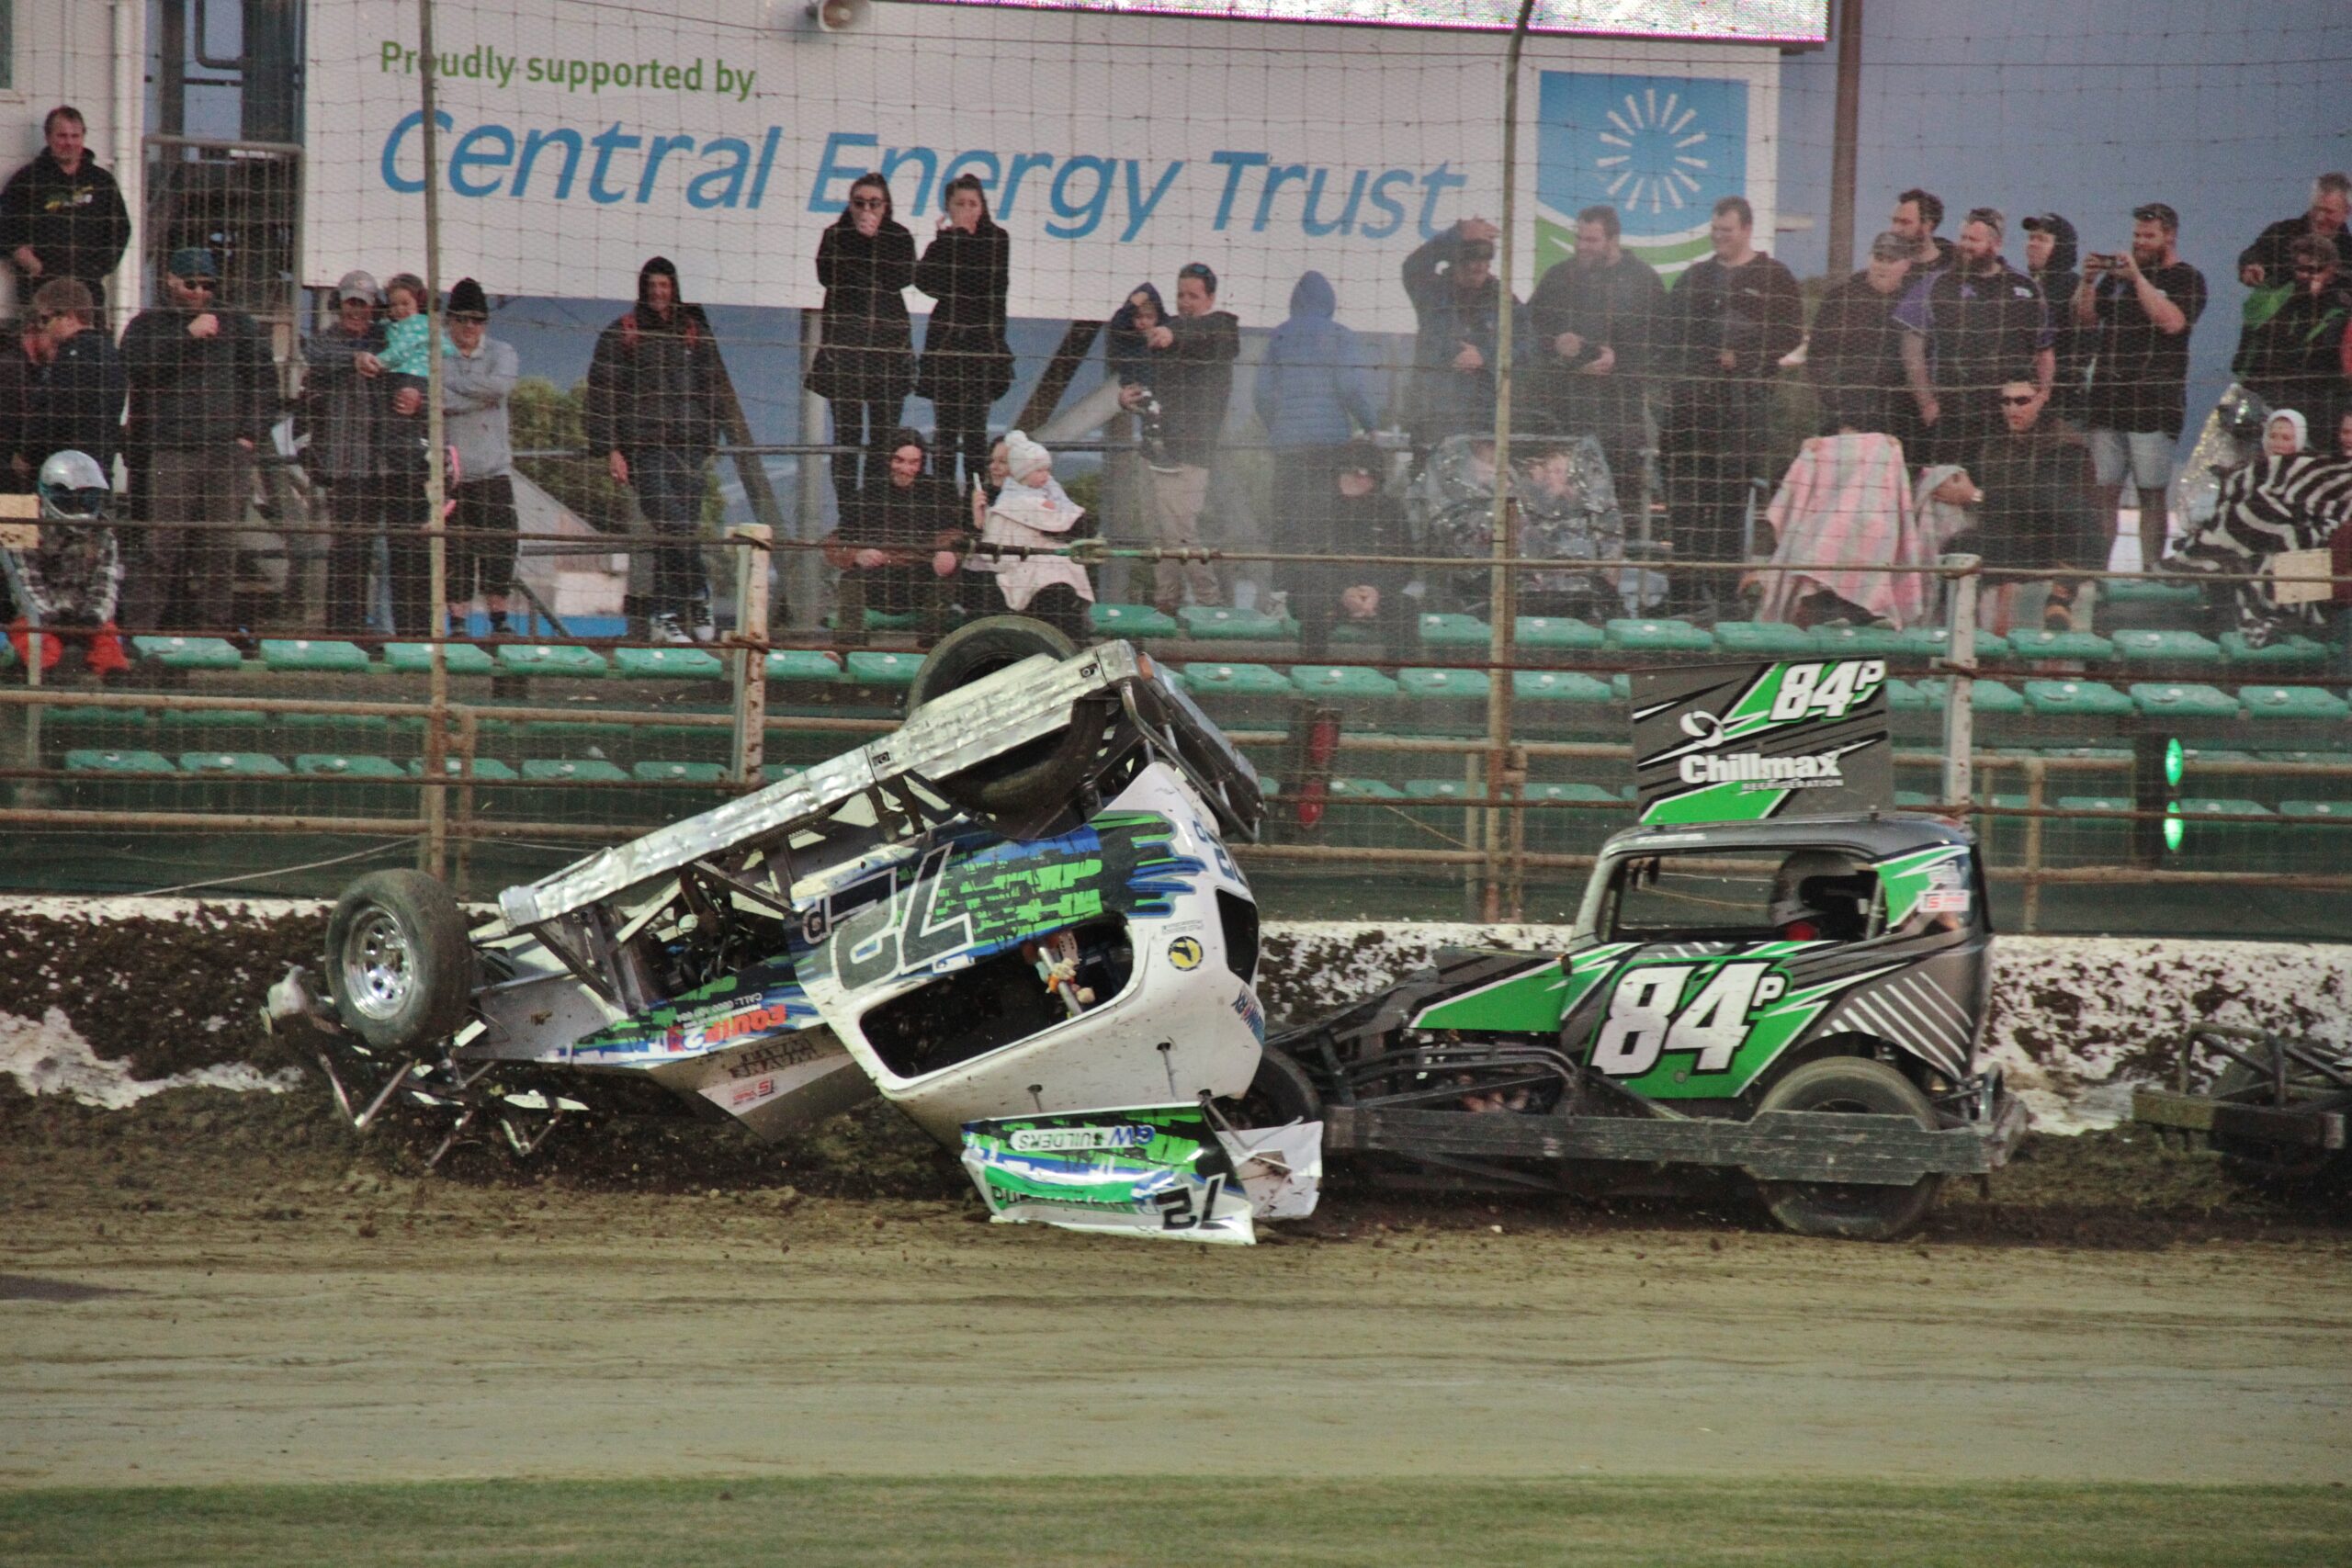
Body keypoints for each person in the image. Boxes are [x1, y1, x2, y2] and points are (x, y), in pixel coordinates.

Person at [118, 246, 275, 637]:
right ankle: (140, 632)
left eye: (208, 285)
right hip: (171, 449)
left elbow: (264, 381)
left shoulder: (237, 323)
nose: (200, 292)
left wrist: (248, 435)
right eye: (191, 284)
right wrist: (186, 337)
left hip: (226, 450)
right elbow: (134, 368)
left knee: (219, 548)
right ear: (170, 280)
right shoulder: (148, 324)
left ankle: (213, 633)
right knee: (160, 545)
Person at [1657, 196, 1804, 612]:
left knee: (1726, 508)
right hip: (1689, 413)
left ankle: (1722, 599)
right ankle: (1681, 601)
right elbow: (1668, 335)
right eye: (1715, 230)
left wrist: (1745, 358)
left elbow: (1790, 334)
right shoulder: (1695, 278)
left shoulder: (1775, 277)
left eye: (1727, 230)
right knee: (1685, 507)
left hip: (1741, 413)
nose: (1719, 237)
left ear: (1747, 230)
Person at [585, 255, 729, 643]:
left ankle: (664, 615)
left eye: (665, 286)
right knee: (674, 525)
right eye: (652, 287)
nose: (659, 294)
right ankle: (698, 593)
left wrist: (708, 435)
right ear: (643, 289)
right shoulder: (623, 332)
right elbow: (602, 392)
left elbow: (712, 386)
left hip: (688, 447)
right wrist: (609, 448)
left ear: (674, 288)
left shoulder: (693, 333)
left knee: (673, 532)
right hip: (643, 448)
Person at [2074, 202, 2208, 571]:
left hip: (2154, 403)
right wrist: (2086, 282)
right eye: (2136, 235)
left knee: (2151, 492)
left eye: (2149, 236)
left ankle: (2150, 568)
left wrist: (2138, 280)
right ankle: (2097, 571)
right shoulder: (2115, 279)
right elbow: (2086, 320)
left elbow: (2173, 323)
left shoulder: (2188, 278)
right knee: (2104, 492)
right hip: (2106, 400)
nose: (2140, 242)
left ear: (2170, 236)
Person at [2168, 407, 2352, 647]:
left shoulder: (2320, 472)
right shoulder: (2257, 471)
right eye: (2345, 431)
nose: (2347, 438)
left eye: (2286, 438)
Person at [1116, 262, 1238, 616]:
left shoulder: (1220, 333)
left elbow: (1217, 330)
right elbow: (1124, 334)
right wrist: (1125, 400)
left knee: (1182, 535)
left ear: (1211, 298)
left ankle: (1209, 605)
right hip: (1153, 449)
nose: (1185, 302)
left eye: (1193, 296)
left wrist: (1174, 333)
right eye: (1180, 295)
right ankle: (1165, 604)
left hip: (1188, 455)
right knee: (1158, 536)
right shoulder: (1161, 337)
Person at [1254, 269, 1381, 603]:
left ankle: (1283, 593)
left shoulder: (1279, 336)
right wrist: (1370, 424)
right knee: (1325, 520)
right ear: (1330, 303)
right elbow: (1351, 387)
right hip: (1331, 445)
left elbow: (1262, 394)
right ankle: (1325, 593)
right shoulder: (1341, 336)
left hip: (1289, 448)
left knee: (1288, 517)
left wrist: (1279, 427)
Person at [1895, 208, 2052, 470]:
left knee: (2000, 496)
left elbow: (2045, 351)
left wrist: (2040, 398)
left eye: (1974, 240)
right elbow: (1911, 349)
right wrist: (1927, 404)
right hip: (1952, 416)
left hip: (2008, 417)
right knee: (1950, 494)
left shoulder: (2026, 287)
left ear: (1996, 244)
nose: (1965, 246)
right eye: (1963, 238)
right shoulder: (1936, 284)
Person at [1526, 203, 1665, 498]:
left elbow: (1661, 348)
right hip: (1565, 417)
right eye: (1579, 238)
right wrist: (1558, 348)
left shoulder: (1643, 281)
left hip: (1619, 420)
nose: (1582, 247)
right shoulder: (1558, 278)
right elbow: (1529, 335)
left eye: (1591, 240)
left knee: (1616, 503)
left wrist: (1618, 361)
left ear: (1613, 240)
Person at [1950, 379, 2105, 635]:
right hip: (2014, 541)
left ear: (2041, 400)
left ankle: (2060, 597)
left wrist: (1978, 496)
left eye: (2022, 400)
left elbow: (2045, 500)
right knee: (1958, 546)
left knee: (2075, 514)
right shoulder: (1995, 445)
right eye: (2006, 401)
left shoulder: (2066, 445)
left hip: (2059, 544)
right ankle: (1962, 633)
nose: (2013, 408)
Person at [413, 278, 521, 637]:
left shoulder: (503, 353)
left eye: (476, 320)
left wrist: (448, 394)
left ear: (485, 324)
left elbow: (500, 387)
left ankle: (499, 621)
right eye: (461, 319)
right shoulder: (435, 355)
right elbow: (434, 399)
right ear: (449, 321)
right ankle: (457, 623)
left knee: (500, 547)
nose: (469, 327)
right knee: (455, 551)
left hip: (493, 468)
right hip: (451, 472)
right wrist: (472, 397)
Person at [300, 270, 402, 635]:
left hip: (389, 464)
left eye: (364, 304)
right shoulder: (325, 341)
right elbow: (317, 355)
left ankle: (390, 630)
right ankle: (343, 631)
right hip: (346, 464)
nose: (357, 311)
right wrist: (355, 360)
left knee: (397, 551)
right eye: (351, 303)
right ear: (339, 304)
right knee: (348, 550)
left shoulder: (389, 338)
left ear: (375, 308)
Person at [810, 173, 915, 508]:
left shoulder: (898, 236)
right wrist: (859, 240)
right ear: (850, 205)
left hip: (887, 356)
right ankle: (847, 512)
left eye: (874, 203)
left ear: (886, 206)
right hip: (846, 357)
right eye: (859, 203)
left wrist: (875, 240)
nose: (866, 209)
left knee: (883, 441)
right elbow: (828, 275)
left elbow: (901, 276)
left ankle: (873, 508)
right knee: (847, 438)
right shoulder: (836, 235)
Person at [912, 173, 1014, 495]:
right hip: (946, 347)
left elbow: (980, 282)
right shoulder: (943, 242)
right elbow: (926, 282)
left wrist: (959, 242)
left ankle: (974, 506)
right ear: (948, 208)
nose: (968, 210)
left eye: (974, 204)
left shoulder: (997, 240)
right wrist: (949, 240)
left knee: (974, 433)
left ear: (983, 207)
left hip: (981, 350)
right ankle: (942, 506)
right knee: (945, 434)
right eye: (960, 204)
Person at [1402, 217, 1529, 449]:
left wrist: (1486, 356)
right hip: (1432, 417)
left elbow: (1527, 348)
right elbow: (1413, 265)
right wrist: (1459, 232)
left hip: (1483, 421)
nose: (1477, 266)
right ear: (1454, 259)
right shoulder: (1431, 292)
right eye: (1470, 258)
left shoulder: (1506, 302)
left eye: (1484, 259)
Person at [825, 427, 961, 641]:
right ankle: (847, 652)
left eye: (913, 462)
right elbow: (834, 542)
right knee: (851, 579)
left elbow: (953, 534)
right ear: (888, 460)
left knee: (946, 577)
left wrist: (947, 552)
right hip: (877, 580)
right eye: (899, 460)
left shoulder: (936, 493)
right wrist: (856, 555)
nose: (905, 469)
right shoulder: (868, 494)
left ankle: (931, 651)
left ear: (921, 463)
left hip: (921, 578)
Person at [0, 107, 131, 316]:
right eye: (62, 136)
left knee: (88, 346)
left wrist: (99, 268)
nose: (69, 142)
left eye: (75, 136)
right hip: (40, 290)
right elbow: (4, 226)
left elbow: (121, 229)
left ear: (83, 137)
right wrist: (28, 261)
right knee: (43, 346)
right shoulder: (27, 180)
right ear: (48, 137)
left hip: (87, 292)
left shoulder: (102, 181)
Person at [6, 450, 127, 676]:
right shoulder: (26, 526)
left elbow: (106, 581)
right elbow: (24, 582)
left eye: (87, 498)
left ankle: (118, 679)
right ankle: (55, 674)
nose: (79, 506)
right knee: (32, 638)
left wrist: (93, 616)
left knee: (108, 640)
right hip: (40, 616)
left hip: (85, 617)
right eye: (69, 498)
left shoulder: (104, 533)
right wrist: (48, 616)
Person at [1284, 441, 1408, 659]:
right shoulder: (1314, 509)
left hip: (1374, 596)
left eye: (1363, 473)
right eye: (1348, 472)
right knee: (1314, 608)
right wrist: (1342, 592)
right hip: (1324, 593)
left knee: (1405, 609)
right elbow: (1302, 564)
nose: (1355, 479)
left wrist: (1375, 591)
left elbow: (1405, 564)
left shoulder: (1391, 509)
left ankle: (1402, 679)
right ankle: (1313, 677)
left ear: (1375, 478)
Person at [966, 429, 1091, 640]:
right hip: (1001, 578)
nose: (994, 468)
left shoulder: (1046, 495)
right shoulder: (982, 499)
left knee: (1055, 591)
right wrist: (978, 524)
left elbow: (1079, 525)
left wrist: (1046, 522)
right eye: (992, 461)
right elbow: (987, 555)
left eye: (1003, 462)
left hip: (1045, 583)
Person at [3, 278, 124, 490]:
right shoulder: (108, 352)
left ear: (67, 316)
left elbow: (57, 411)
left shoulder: (74, 355)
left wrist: (27, 454)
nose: (43, 327)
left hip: (65, 474)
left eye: (45, 319)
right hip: (97, 468)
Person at [2233, 233, 2351, 439]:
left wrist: (2317, 303)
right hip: (2260, 391)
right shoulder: (2277, 295)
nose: (2306, 276)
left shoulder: (2340, 309)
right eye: (2301, 269)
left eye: (2314, 270)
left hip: (2310, 402)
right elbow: (2254, 319)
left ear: (2331, 271)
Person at [1806, 231, 1915, 440]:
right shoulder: (1841, 298)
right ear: (1869, 258)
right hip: (1845, 415)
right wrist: (1842, 414)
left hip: (1902, 417)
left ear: (1906, 265)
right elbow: (1817, 358)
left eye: (1891, 260)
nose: (1883, 265)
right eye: (1878, 258)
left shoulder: (1915, 303)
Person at [2021, 214, 2086, 424]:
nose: (2033, 244)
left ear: (2061, 247)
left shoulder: (2074, 286)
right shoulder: (2024, 286)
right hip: (2025, 398)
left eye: (2042, 239)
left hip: (2063, 404)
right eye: (2031, 238)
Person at [2238, 173, 2352, 288]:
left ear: (2347, 212)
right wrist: (2251, 268)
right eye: (2316, 208)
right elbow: (2254, 254)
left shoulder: (2349, 252)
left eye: (2329, 211)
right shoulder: (2282, 233)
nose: (2319, 218)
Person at [1889, 188, 1954, 273]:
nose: (1895, 230)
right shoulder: (1885, 268)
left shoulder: (1955, 267)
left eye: (1905, 222)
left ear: (1928, 225)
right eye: (1894, 221)